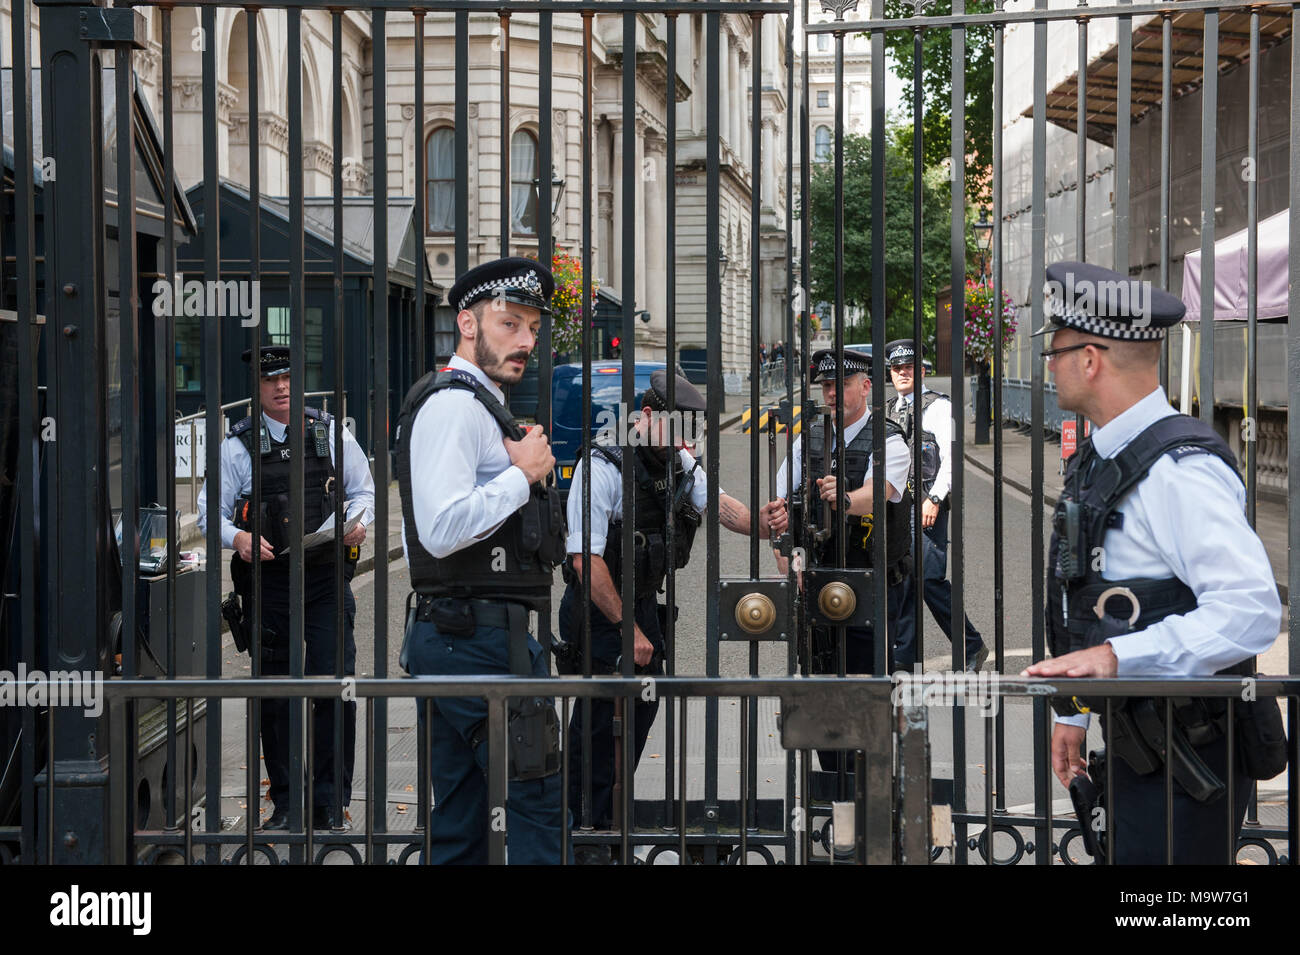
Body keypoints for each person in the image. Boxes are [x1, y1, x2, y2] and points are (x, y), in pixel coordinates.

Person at [1023, 260, 1282, 864]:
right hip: (1139, 743)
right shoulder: (1101, 454)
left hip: (1190, 756)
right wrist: (1073, 711)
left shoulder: (1176, 470)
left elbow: (1249, 608)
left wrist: (1116, 658)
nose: (1052, 365)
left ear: (1090, 359)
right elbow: (1081, 592)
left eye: (1054, 352)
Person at [556, 368, 787, 836]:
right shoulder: (603, 464)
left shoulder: (677, 461)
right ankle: (578, 826)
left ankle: (609, 818)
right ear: (645, 416)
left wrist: (763, 524)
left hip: (641, 607)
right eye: (679, 429)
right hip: (599, 613)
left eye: (692, 431)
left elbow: (719, 505)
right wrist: (628, 631)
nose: (687, 441)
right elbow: (585, 560)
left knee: (641, 710)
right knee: (598, 724)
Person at [394, 256, 569, 865]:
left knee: (464, 817)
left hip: (471, 635)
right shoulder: (454, 406)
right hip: (476, 641)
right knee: (537, 803)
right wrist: (521, 477)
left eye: (532, 329)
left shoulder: (484, 405)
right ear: (467, 323)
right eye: (510, 323)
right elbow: (440, 529)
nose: (524, 341)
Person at [199, 344, 374, 832]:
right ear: (256, 389)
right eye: (270, 381)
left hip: (324, 580)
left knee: (333, 687)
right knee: (275, 697)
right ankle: (287, 804)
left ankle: (329, 804)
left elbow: (364, 490)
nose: (280, 388)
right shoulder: (237, 444)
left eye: (287, 379)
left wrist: (357, 524)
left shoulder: (331, 433)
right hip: (268, 585)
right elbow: (207, 509)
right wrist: (237, 537)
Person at [774, 348, 912, 771]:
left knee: (867, 689)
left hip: (870, 585)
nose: (832, 392)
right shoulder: (809, 438)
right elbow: (782, 507)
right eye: (826, 385)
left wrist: (847, 498)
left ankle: (873, 792)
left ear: (866, 387)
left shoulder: (887, 437)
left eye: (842, 384)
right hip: (817, 585)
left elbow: (882, 489)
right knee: (820, 686)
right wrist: (786, 557)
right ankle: (834, 793)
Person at [885, 339, 989, 672]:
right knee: (901, 581)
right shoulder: (887, 409)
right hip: (894, 510)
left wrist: (935, 498)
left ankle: (971, 645)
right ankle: (904, 660)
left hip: (926, 506)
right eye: (897, 368)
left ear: (922, 370)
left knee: (929, 580)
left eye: (909, 367)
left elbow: (952, 457)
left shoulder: (939, 406)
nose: (903, 373)